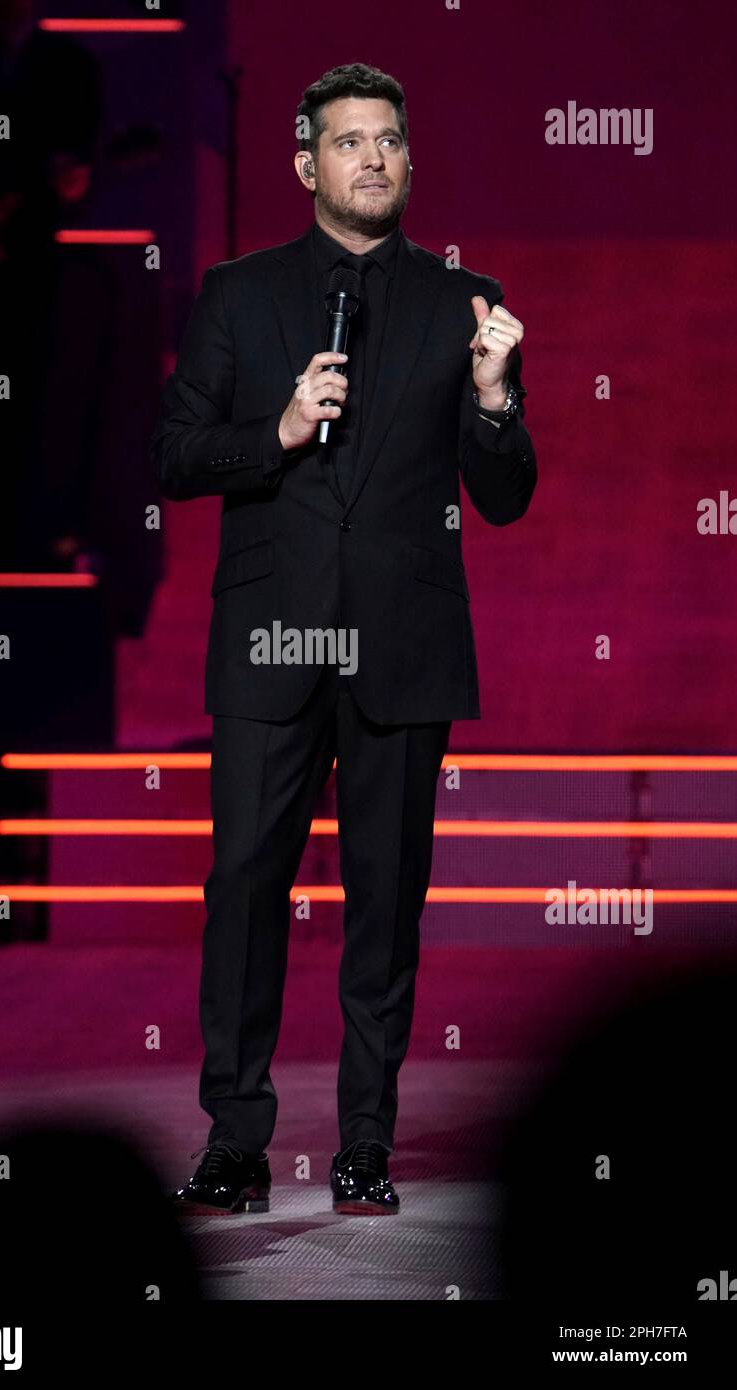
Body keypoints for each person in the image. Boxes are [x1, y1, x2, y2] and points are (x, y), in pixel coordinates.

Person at [153, 62, 537, 1215]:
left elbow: (505, 496)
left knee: (384, 900)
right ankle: (234, 1137)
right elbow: (172, 457)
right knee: (245, 888)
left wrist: (494, 398)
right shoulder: (238, 294)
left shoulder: (466, 301)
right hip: (269, 640)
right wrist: (271, 429)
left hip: (403, 643)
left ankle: (366, 1141)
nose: (371, 158)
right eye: (348, 140)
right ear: (304, 165)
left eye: (388, 141)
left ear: (408, 162)